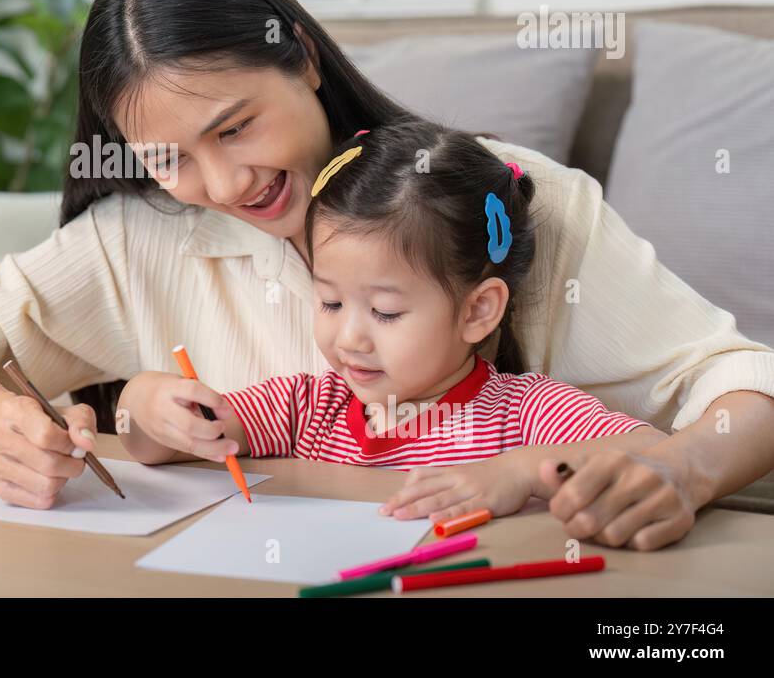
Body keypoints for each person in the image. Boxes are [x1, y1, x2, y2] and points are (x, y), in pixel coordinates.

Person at [0, 0, 774, 550]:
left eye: (235, 128)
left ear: (302, 58)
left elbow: (739, 380)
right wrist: (8, 429)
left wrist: (685, 469)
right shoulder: (147, 235)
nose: (224, 186)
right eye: (169, 158)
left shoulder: (503, 199)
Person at [118, 121, 667, 525]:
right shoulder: (309, 408)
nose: (350, 338)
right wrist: (146, 404)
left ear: (477, 310)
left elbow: (651, 453)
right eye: (330, 303)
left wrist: (521, 471)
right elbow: (184, 437)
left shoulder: (525, 414)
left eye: (384, 312)